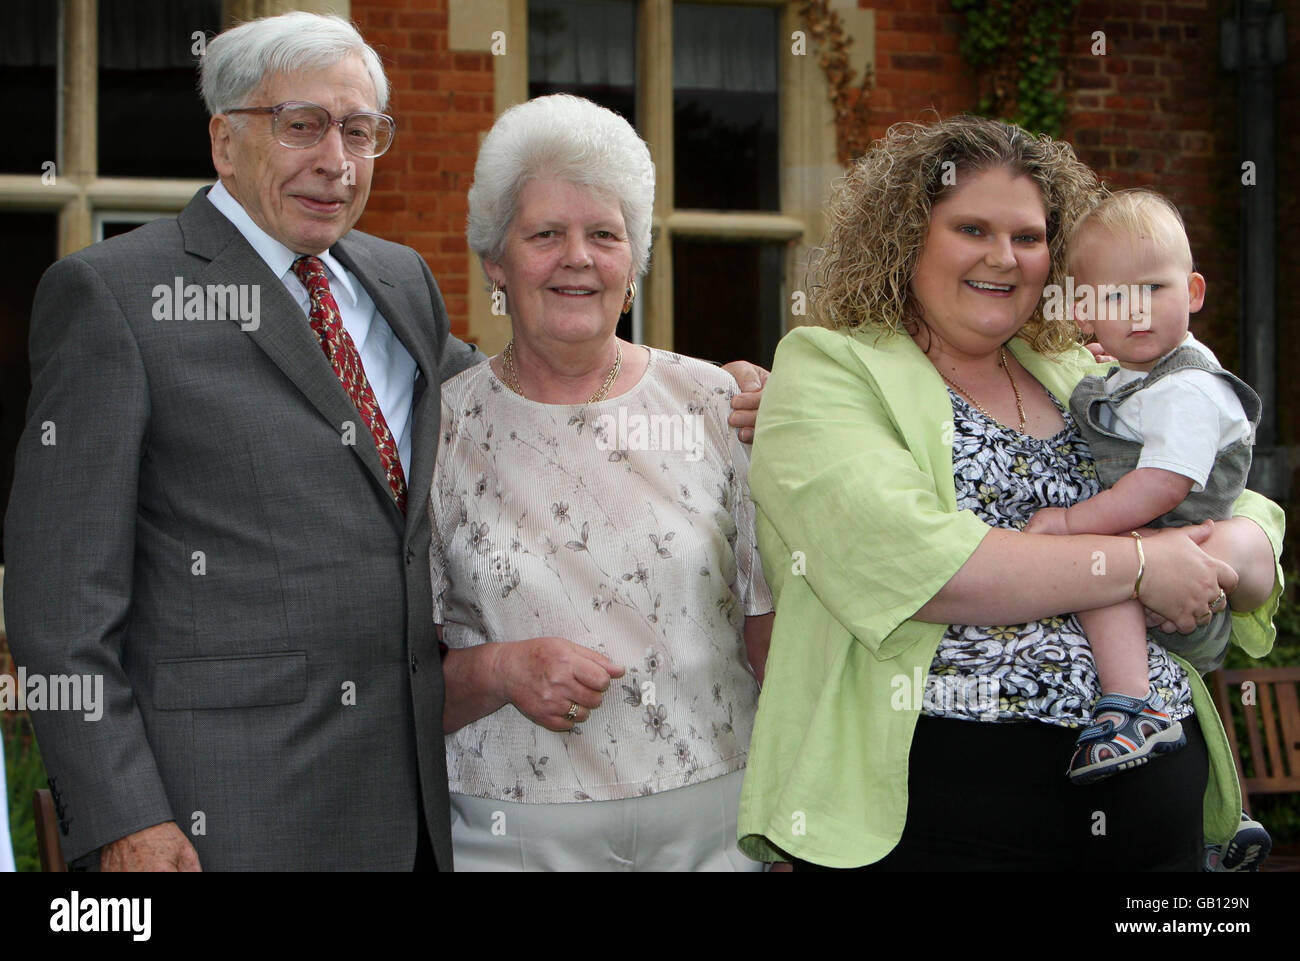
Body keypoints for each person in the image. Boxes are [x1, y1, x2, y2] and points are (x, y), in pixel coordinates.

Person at [2, 12, 484, 871]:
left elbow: (509, 396)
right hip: (219, 822)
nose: (335, 162)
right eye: (301, 125)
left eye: (360, 131)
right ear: (225, 141)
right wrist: (123, 819)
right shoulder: (112, 297)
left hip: (408, 817)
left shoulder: (399, 281)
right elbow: (58, 608)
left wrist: (701, 389)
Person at [737, 116, 1284, 871]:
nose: (1004, 257)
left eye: (1028, 237)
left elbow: (1231, 497)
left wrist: (1226, 552)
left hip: (1156, 811)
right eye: (972, 228)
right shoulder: (829, 371)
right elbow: (923, 565)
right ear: (908, 235)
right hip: (952, 815)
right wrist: (1136, 564)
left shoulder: (1078, 371)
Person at [433, 94, 774, 871]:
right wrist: (500, 668)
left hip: (716, 828)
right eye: (546, 234)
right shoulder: (442, 428)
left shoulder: (718, 405)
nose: (577, 257)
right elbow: (396, 672)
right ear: (496, 258)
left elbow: (769, 633)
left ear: (634, 259)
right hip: (511, 836)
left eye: (603, 235)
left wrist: (788, 811)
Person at [1023, 190, 1261, 784]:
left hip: (1186, 567)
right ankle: (1222, 824)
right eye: (1114, 297)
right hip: (1170, 562)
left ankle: (1132, 706)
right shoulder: (1135, 377)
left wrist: (1071, 524)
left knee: (1101, 572)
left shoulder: (1189, 389)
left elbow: (1163, 485)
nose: (1137, 312)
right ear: (1083, 312)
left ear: (1194, 293)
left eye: (1154, 289)